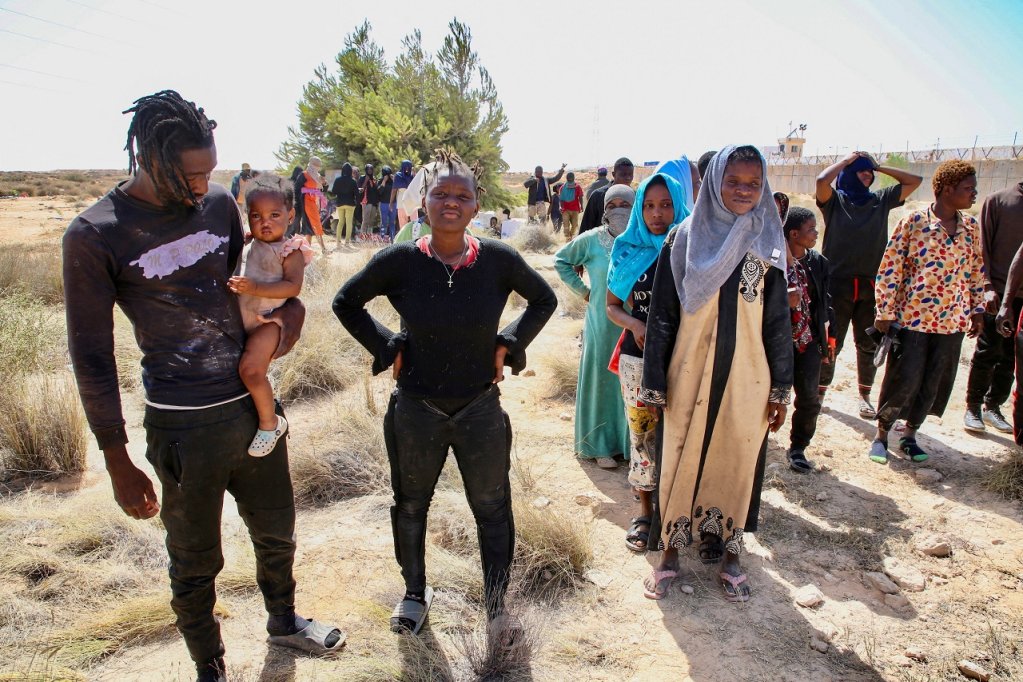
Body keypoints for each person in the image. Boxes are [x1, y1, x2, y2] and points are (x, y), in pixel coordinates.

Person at [62, 90, 343, 682]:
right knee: (194, 559)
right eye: (189, 175)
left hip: (251, 408)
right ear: (147, 159)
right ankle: (209, 665)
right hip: (181, 424)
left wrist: (290, 319)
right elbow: (91, 355)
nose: (201, 186)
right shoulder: (95, 234)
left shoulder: (217, 205)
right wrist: (115, 457)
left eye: (208, 171)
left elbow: (261, 279)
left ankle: (284, 622)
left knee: (277, 530)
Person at [333, 149, 556, 640]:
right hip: (417, 409)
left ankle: (496, 607)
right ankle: (415, 594)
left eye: (462, 195)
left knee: (492, 508)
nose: (451, 202)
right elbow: (345, 301)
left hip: (480, 408)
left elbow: (544, 298)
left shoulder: (498, 260)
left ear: (477, 204)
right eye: (440, 193)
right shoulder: (398, 261)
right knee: (411, 505)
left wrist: (510, 342)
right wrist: (386, 345)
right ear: (423, 202)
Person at [641, 145, 791, 603]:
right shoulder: (684, 238)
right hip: (688, 371)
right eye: (733, 181)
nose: (744, 190)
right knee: (677, 456)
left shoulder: (767, 241)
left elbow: (777, 321)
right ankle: (669, 553)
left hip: (749, 376)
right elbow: (662, 315)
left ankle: (730, 553)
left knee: (738, 459)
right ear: (713, 182)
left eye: (753, 183)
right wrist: (654, 383)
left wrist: (780, 389)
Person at [868, 160, 985, 464]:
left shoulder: (971, 228)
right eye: (968, 188)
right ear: (947, 189)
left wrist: (977, 310)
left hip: (952, 322)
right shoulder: (915, 222)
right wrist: (884, 310)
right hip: (913, 318)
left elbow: (975, 271)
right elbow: (890, 267)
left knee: (932, 382)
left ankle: (910, 435)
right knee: (904, 378)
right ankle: (881, 434)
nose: (974, 193)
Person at [606, 172, 691, 554]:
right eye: (650, 206)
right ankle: (644, 513)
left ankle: (677, 511)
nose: (657, 214)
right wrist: (636, 324)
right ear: (640, 209)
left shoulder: (692, 248)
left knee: (681, 434)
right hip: (637, 358)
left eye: (666, 205)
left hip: (684, 358)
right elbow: (611, 306)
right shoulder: (627, 248)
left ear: (679, 206)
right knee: (642, 434)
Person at [816, 151, 922, 418]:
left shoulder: (880, 200)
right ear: (849, 173)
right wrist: (846, 161)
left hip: (871, 285)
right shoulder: (835, 201)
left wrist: (879, 166)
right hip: (837, 284)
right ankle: (819, 393)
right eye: (861, 170)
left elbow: (915, 181)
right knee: (832, 341)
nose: (867, 175)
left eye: (869, 171)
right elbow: (821, 181)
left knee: (868, 343)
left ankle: (864, 396)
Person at [227, 175, 313, 456]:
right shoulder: (249, 243)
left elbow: (292, 287)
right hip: (242, 319)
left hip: (269, 321)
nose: (265, 222)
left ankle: (270, 423)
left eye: (274, 215)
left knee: (251, 370)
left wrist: (254, 287)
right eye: (257, 216)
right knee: (244, 371)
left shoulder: (291, 250)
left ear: (291, 216)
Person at [554, 184, 636, 470]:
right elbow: (561, 260)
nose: (618, 210)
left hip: (635, 323)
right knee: (602, 379)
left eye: (624, 205)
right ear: (603, 210)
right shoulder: (591, 240)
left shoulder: (642, 239)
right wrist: (584, 292)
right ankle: (599, 445)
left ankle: (629, 445)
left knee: (630, 382)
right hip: (601, 322)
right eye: (611, 205)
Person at [963, 179, 1023, 433]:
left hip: (1021, 297)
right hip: (996, 292)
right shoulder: (998, 201)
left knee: (1011, 356)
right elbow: (982, 247)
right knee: (988, 350)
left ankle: (993, 406)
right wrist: (986, 286)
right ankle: (973, 407)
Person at [783, 207, 835, 473]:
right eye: (811, 229)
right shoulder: (774, 261)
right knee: (768, 394)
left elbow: (824, 303)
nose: (816, 233)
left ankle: (798, 447)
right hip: (778, 342)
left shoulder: (818, 262)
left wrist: (828, 341)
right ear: (794, 234)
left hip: (808, 340)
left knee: (809, 398)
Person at [579, 157, 635, 234]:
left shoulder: (636, 197)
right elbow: (586, 227)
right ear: (613, 175)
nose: (628, 178)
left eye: (630, 174)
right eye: (623, 174)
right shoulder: (598, 196)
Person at [301, 157, 328, 253]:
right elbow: (299, 189)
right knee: (310, 226)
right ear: (312, 165)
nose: (318, 168)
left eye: (319, 166)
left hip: (315, 203)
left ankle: (321, 249)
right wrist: (312, 190)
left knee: (316, 225)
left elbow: (321, 190)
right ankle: (313, 249)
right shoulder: (304, 175)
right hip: (306, 203)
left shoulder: (318, 176)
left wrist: (324, 184)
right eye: (317, 165)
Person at [330, 162, 359, 248]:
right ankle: (347, 242)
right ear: (350, 171)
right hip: (350, 204)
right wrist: (357, 203)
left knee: (341, 222)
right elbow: (357, 194)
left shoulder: (338, 180)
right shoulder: (353, 181)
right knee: (349, 222)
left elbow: (333, 191)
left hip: (340, 203)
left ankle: (338, 242)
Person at [558, 172, 584, 239]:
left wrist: (581, 206)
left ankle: (571, 236)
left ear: (573, 178)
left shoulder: (577, 187)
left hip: (575, 209)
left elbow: (580, 197)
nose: (569, 179)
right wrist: (560, 206)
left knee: (575, 225)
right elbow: (561, 199)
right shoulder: (562, 188)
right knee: (566, 226)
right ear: (566, 178)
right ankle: (567, 239)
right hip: (565, 209)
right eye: (568, 178)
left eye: (571, 178)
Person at [392, 159, 415, 227]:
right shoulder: (412, 175)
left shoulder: (398, 176)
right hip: (411, 203)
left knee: (403, 225)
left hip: (402, 203)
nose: (407, 169)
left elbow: (394, 190)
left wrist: (391, 202)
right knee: (415, 224)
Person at [359, 163, 379, 237]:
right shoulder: (362, 178)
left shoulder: (374, 179)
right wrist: (366, 180)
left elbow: (376, 190)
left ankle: (369, 236)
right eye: (368, 169)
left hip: (373, 202)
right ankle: (362, 236)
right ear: (366, 170)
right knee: (365, 220)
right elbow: (360, 190)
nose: (370, 170)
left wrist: (375, 183)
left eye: (371, 169)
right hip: (366, 202)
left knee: (371, 221)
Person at [378, 166, 396, 241]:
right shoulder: (380, 181)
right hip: (383, 204)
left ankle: (393, 238)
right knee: (384, 222)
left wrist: (394, 180)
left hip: (393, 204)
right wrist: (384, 181)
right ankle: (382, 238)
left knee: (392, 222)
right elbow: (379, 191)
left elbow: (398, 189)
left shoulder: (393, 181)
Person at [288, 165, 305, 237]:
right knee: (296, 223)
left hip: (291, 205)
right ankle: (293, 238)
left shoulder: (288, 181)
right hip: (297, 205)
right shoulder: (300, 182)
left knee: (293, 222)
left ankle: (292, 238)